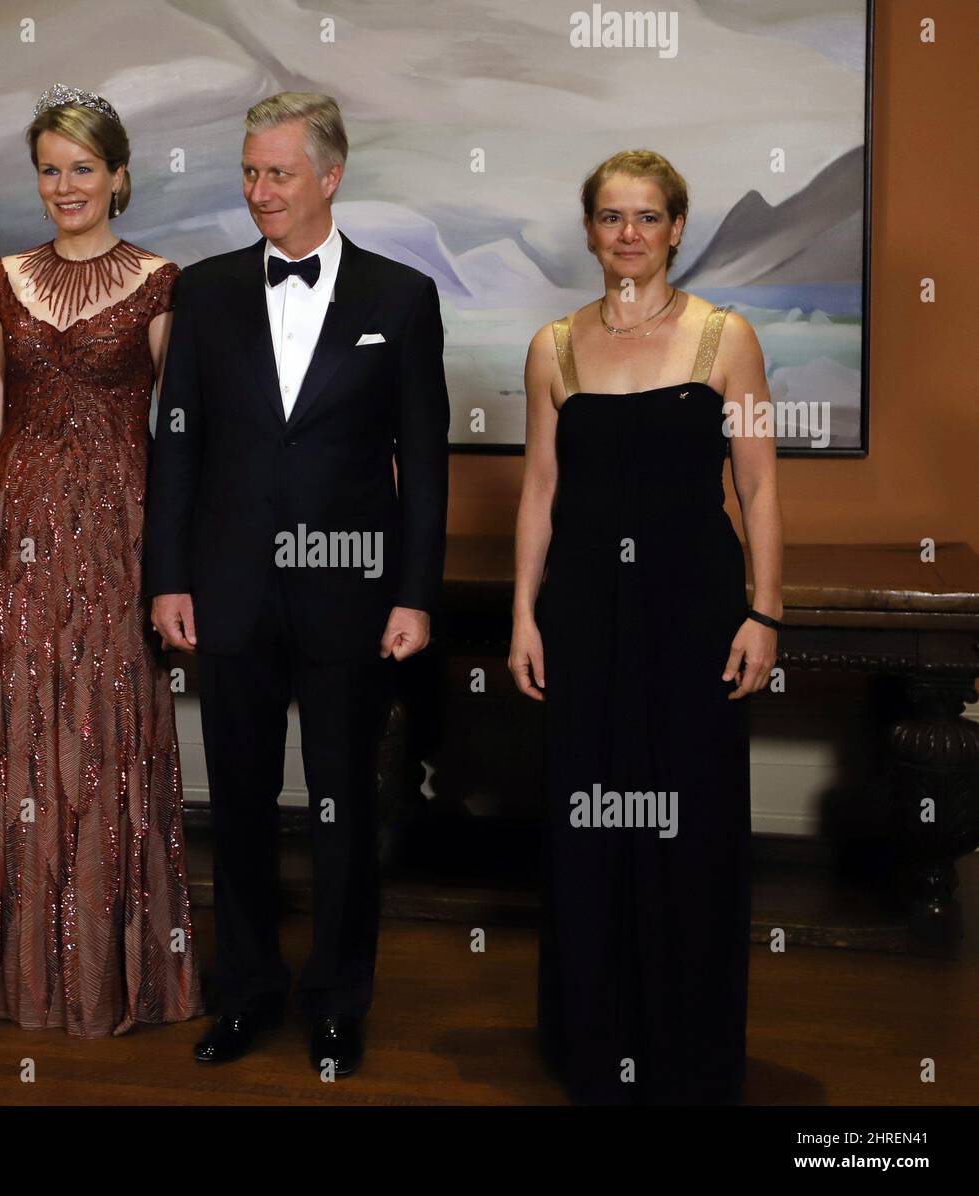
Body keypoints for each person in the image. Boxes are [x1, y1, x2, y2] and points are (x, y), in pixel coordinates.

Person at [145, 92, 450, 1076]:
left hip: (350, 595)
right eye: (248, 170)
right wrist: (168, 577)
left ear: (330, 175)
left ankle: (334, 1000)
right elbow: (175, 450)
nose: (259, 190)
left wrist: (414, 594)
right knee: (234, 800)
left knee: (341, 807)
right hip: (228, 589)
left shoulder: (401, 298)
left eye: (277, 172)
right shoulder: (204, 291)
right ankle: (244, 991)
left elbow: (427, 463)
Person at [509, 149, 783, 1104]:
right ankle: (594, 1040)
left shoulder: (725, 338)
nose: (629, 233)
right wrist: (522, 621)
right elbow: (540, 491)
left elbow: (757, 483)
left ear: (676, 229)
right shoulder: (554, 346)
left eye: (648, 217)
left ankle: (690, 1049)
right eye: (612, 217)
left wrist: (765, 613)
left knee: (691, 822)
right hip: (582, 614)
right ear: (589, 230)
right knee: (588, 821)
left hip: (695, 613)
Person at [0, 82, 205, 1037]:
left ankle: (121, 969)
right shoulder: (3, 278)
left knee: (115, 733)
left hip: (121, 532)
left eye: (82, 168)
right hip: (25, 531)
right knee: (31, 734)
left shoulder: (164, 281)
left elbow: (179, 429)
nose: (64, 186)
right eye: (49, 170)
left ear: (119, 174)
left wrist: (176, 553)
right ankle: (35, 973)